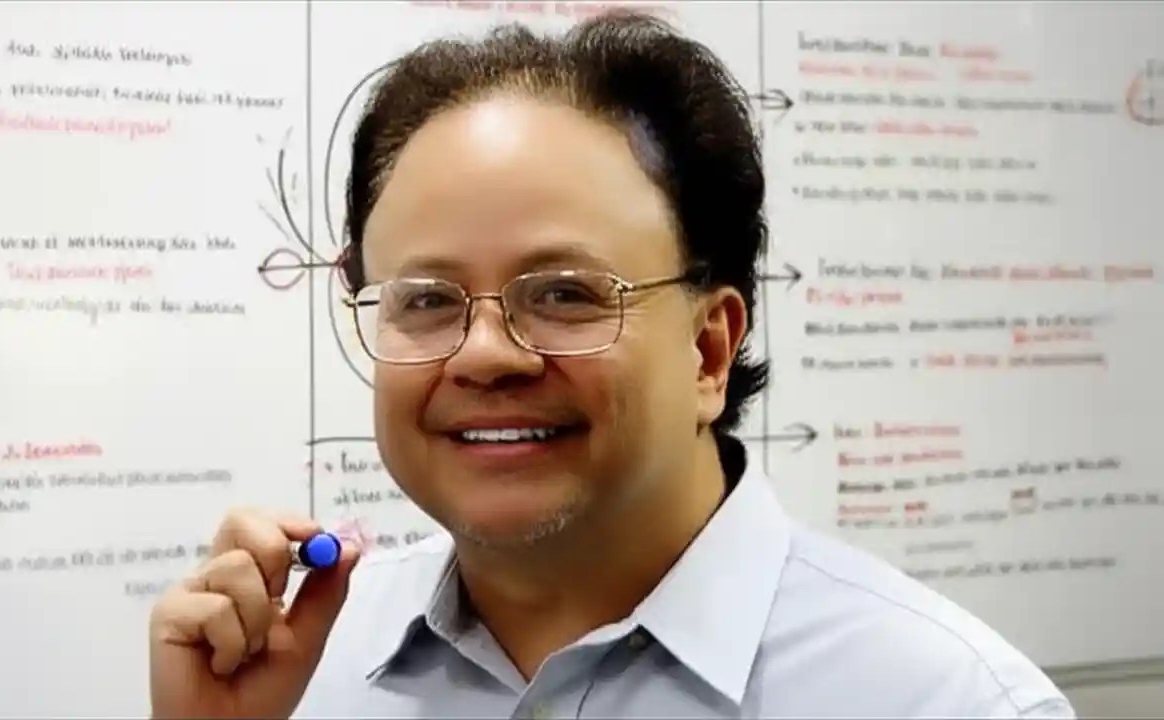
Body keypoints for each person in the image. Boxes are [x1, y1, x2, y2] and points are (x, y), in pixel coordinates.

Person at [149, 10, 1075, 719]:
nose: (484, 356)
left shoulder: (948, 702)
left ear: (709, 349)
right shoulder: (307, 669)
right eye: (426, 300)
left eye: (563, 294)